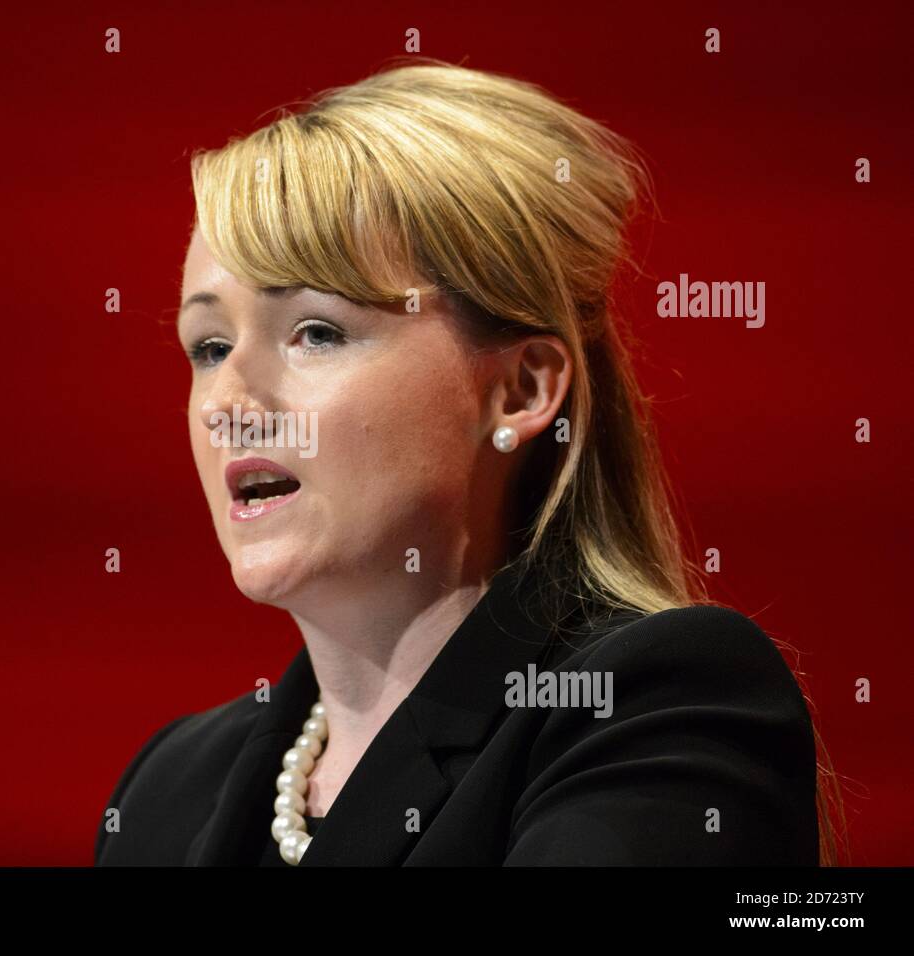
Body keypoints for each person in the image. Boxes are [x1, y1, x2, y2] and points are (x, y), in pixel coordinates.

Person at [95, 58, 843, 866]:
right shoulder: (168, 790)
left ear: (519, 391)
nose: (227, 403)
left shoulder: (654, 710)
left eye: (315, 332)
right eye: (208, 347)